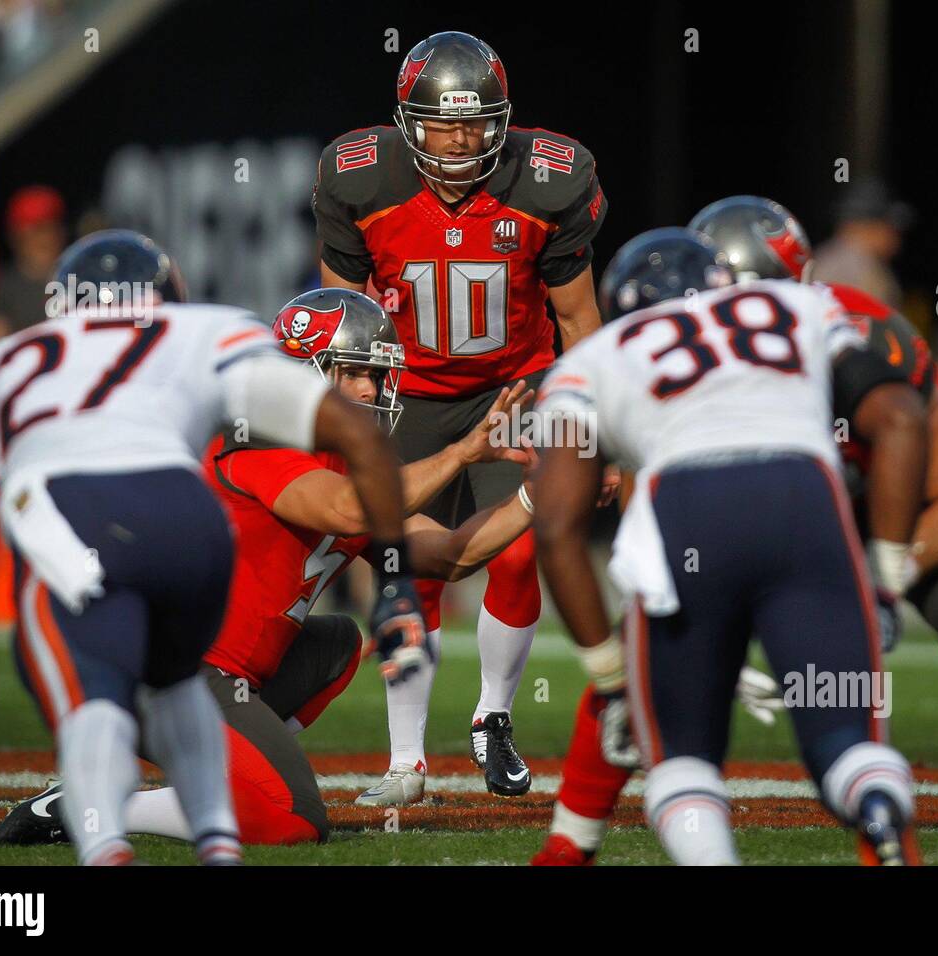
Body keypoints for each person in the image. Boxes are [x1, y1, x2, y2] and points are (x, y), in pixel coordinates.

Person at [534, 197, 938, 866]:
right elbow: (644, 525)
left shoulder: (851, 327)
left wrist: (888, 570)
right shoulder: (814, 319)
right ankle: (570, 843)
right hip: (802, 508)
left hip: (861, 506)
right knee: (683, 657)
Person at [0, 231, 424, 865]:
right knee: (183, 704)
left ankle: (106, 818)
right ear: (166, 300)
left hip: (70, 558)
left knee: (103, 709)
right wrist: (396, 581)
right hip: (180, 545)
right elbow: (348, 437)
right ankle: (180, 814)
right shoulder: (205, 335)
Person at [0, 287, 538, 843]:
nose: (371, 389)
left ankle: (230, 777)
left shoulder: (348, 463)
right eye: (352, 372)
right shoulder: (257, 436)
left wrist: (535, 497)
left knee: (338, 645)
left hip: (227, 672)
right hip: (172, 667)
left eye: (376, 374)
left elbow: (452, 556)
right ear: (305, 373)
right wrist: (463, 452)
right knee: (295, 820)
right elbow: (349, 509)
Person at [531, 227, 929, 865]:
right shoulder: (802, 305)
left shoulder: (592, 358)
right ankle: (876, 803)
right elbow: (904, 418)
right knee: (847, 740)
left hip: (688, 514)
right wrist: (886, 578)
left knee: (682, 764)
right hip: (806, 504)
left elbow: (555, 528)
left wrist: (609, 679)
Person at [312, 30, 614, 802]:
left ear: (501, 120)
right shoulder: (361, 179)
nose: (461, 139)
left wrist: (599, 430)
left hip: (511, 385)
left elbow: (579, 322)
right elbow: (341, 317)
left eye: (476, 122)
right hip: (405, 391)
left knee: (516, 553)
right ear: (408, 121)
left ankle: (493, 716)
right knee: (411, 564)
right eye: (443, 123)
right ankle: (406, 759)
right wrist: (346, 417)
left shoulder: (547, 181)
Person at [811, 178, 911, 309]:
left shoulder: (822, 257)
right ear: (867, 226)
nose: (896, 237)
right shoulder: (858, 267)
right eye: (890, 227)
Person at [0, 185, 67, 334]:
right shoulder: (8, 287)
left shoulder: (79, 278)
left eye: (50, 229)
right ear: (17, 237)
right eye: (36, 231)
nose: (45, 239)